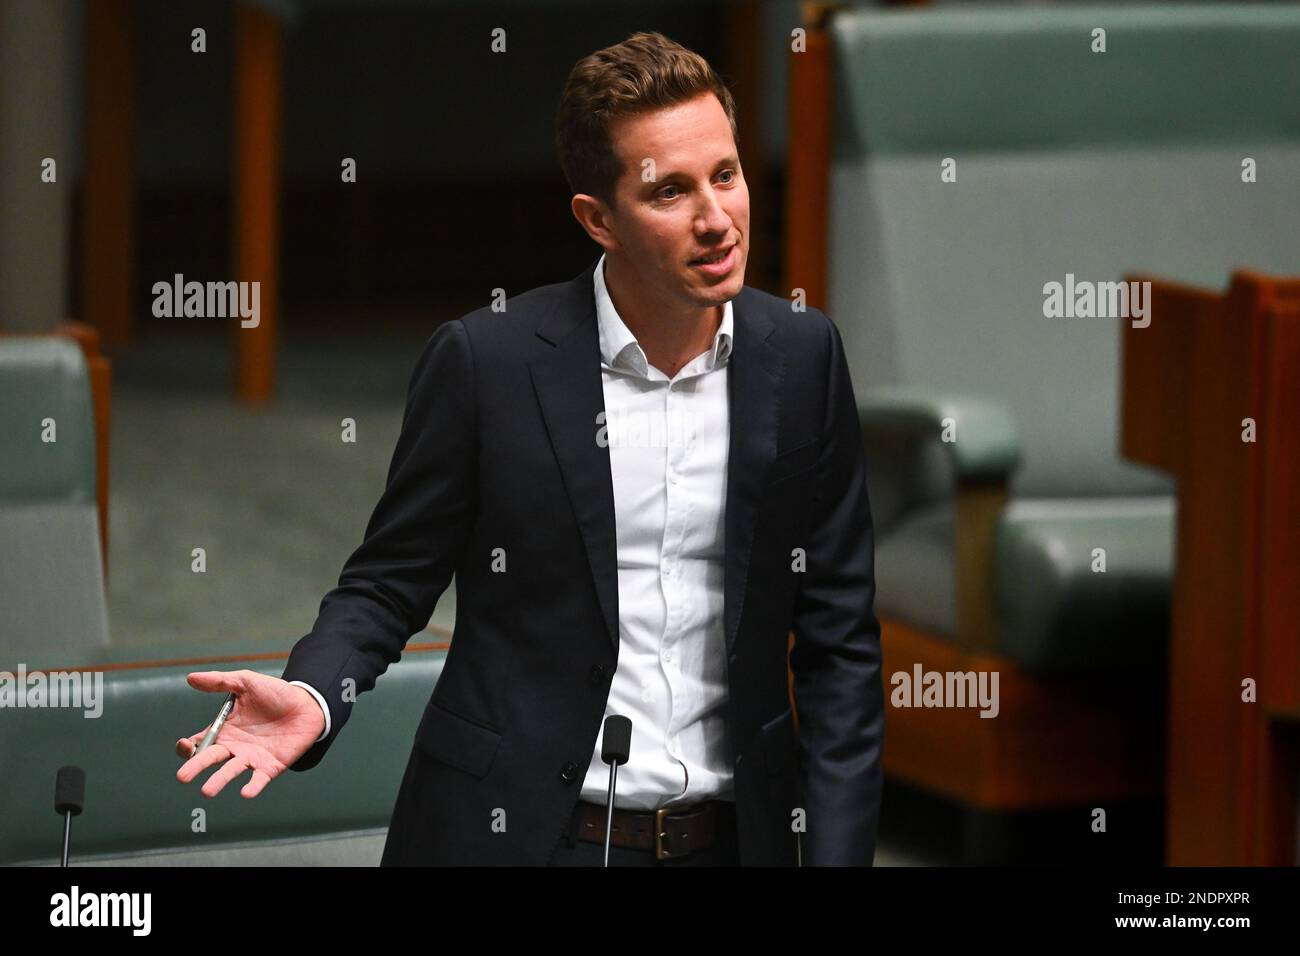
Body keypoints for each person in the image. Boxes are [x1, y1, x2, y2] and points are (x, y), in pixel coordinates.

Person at [175, 30, 885, 866]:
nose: (716, 218)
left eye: (726, 176)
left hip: (731, 840)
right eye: (669, 192)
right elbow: (389, 579)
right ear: (599, 219)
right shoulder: (488, 363)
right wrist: (314, 692)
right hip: (522, 835)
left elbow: (840, 644)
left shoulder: (802, 356)